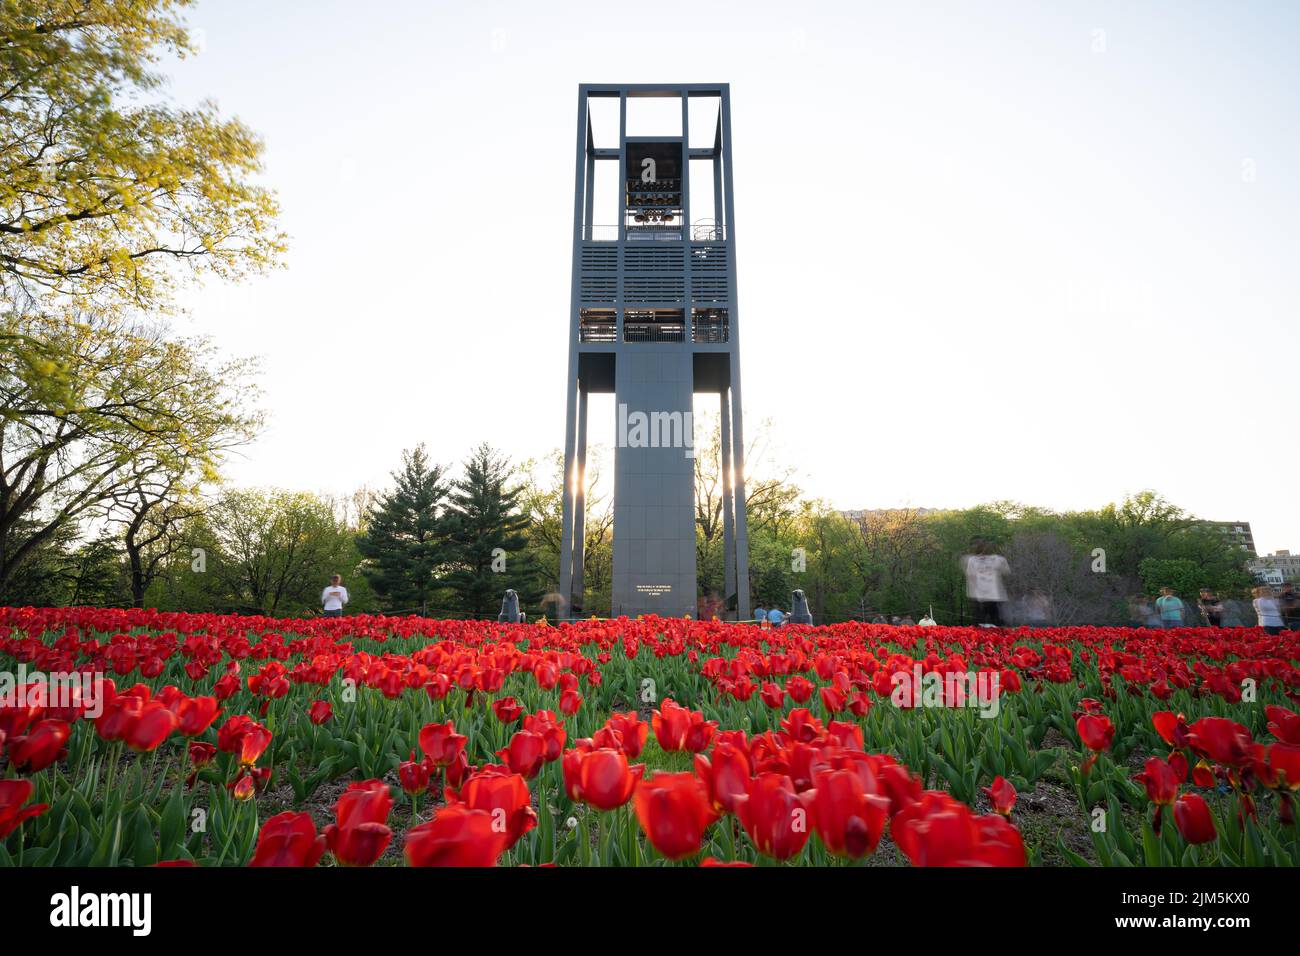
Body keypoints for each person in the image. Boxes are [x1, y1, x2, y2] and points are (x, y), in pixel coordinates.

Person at [961, 539, 1010, 626]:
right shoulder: (996, 559)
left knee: (984, 621)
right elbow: (1006, 571)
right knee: (992, 621)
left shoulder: (972, 560)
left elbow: (970, 575)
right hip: (988, 596)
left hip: (983, 597)